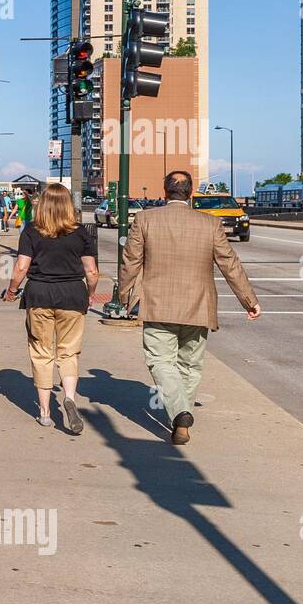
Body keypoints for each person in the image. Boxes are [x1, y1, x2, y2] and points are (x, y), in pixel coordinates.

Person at [117, 170, 262, 445]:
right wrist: (249, 300)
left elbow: (131, 262)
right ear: (192, 193)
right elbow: (229, 263)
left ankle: (180, 412)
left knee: (161, 361)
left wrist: (125, 296)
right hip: (198, 305)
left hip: (157, 304)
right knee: (190, 365)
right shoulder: (210, 224)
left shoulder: (145, 219)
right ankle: (180, 416)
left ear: (164, 192)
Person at [4, 183, 99, 433]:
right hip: (72, 295)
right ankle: (69, 397)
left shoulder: (32, 231)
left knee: (41, 352)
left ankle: (45, 412)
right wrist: (89, 293)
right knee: (68, 352)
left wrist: (12, 290)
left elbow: (21, 267)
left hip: (40, 294)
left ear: (42, 204)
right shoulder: (80, 233)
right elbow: (91, 271)